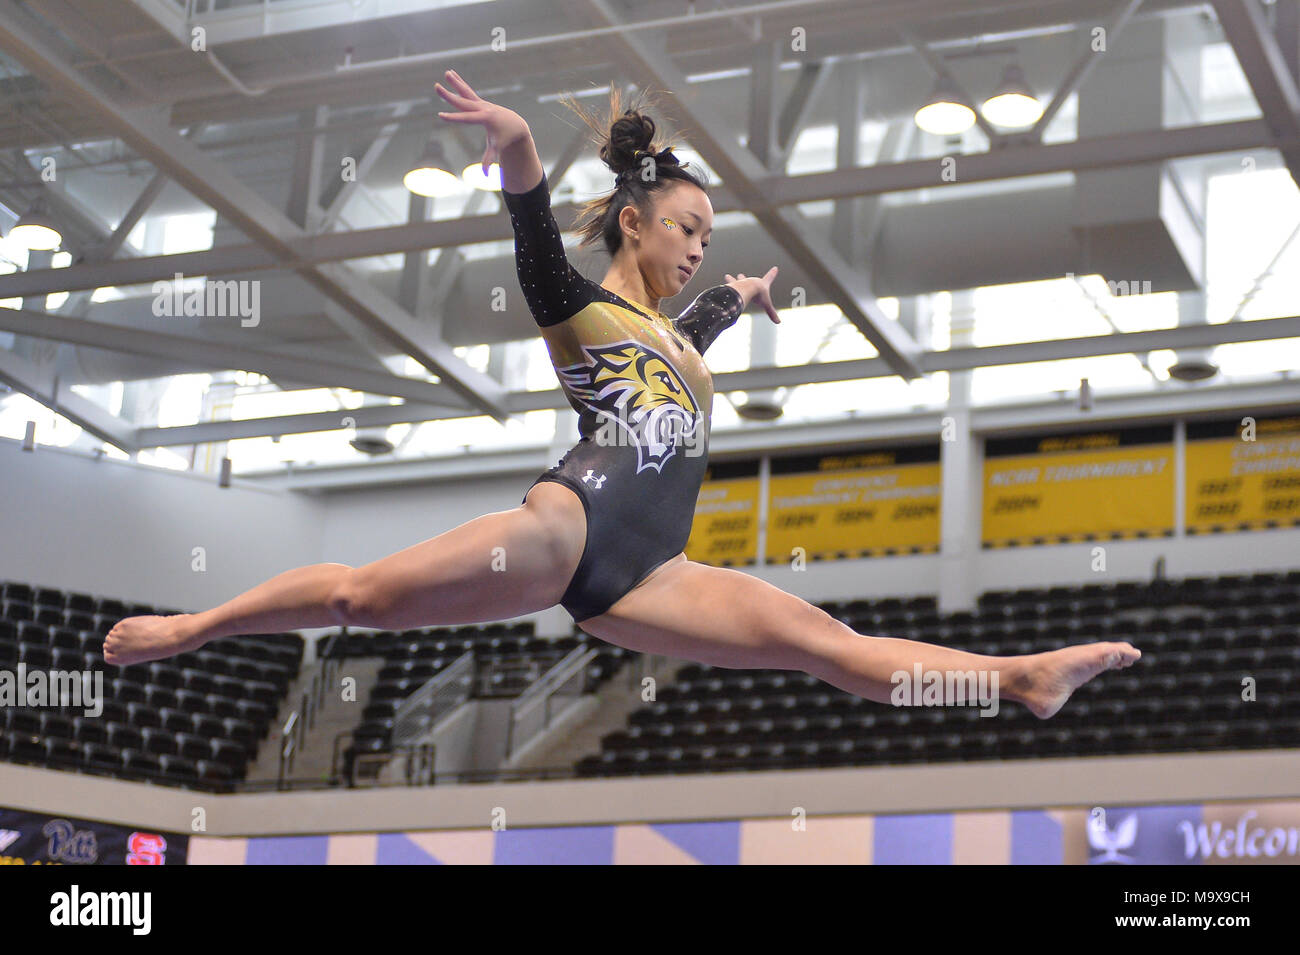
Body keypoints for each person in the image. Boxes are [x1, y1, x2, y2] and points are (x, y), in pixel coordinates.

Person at [104, 70, 1139, 720]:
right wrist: (513, 143)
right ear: (634, 223)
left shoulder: (674, 335)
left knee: (835, 652)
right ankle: (196, 627)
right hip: (567, 527)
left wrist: (743, 297)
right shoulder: (575, 305)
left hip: (652, 574)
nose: (697, 246)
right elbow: (530, 225)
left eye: (706, 234)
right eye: (686, 226)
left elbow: (695, 331)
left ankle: (1013, 678)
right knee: (356, 599)